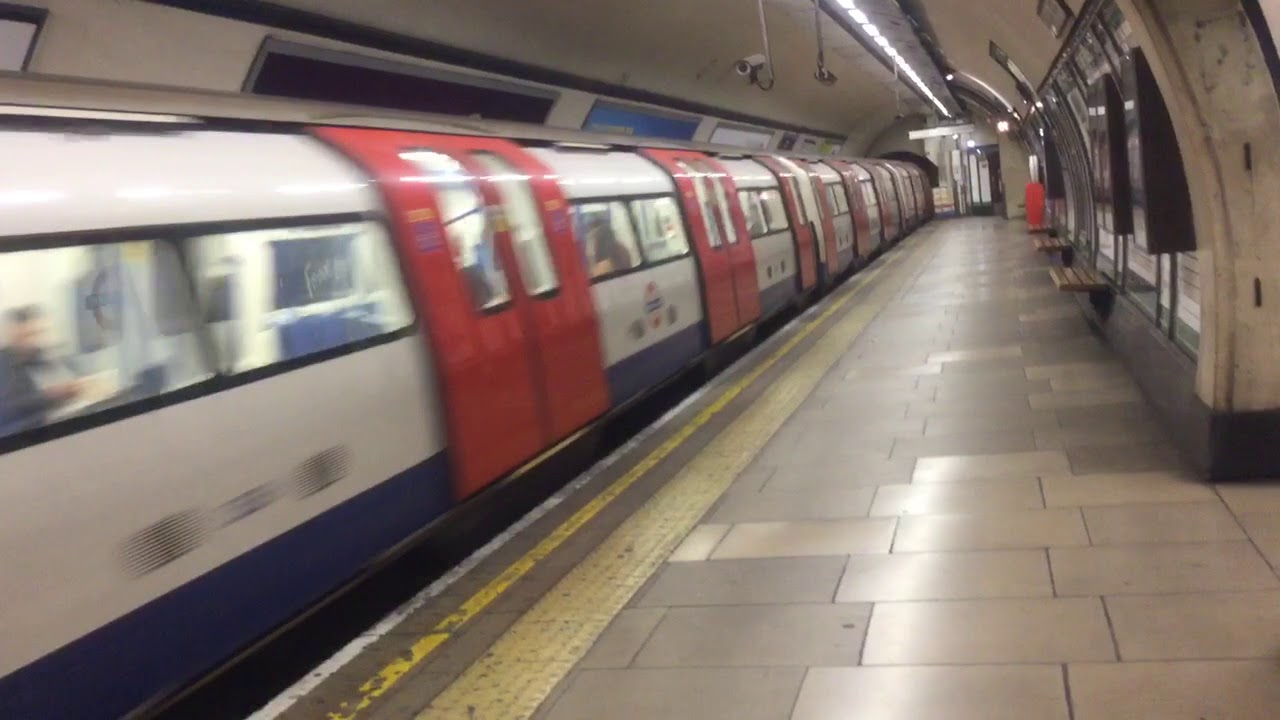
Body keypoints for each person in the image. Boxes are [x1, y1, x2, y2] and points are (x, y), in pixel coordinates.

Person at [0, 306, 82, 435]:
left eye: (37, 334)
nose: (33, 342)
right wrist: (50, 396)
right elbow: (7, 409)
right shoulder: (4, 363)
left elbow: (64, 377)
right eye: (27, 336)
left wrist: (72, 386)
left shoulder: (37, 355)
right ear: (13, 334)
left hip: (52, 424)